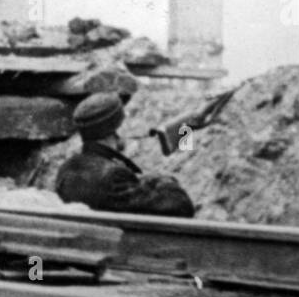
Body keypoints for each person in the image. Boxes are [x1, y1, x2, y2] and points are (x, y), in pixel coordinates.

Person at [54, 92, 195, 217]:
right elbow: (181, 205)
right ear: (115, 130)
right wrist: (162, 179)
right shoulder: (113, 176)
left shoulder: (67, 169)